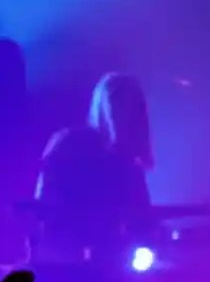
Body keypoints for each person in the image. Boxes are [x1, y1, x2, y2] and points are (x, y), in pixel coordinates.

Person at [33, 72, 154, 264]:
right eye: (119, 103)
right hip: (68, 259)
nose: (124, 113)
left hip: (109, 260)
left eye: (131, 106)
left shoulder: (129, 163)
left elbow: (143, 218)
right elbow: (46, 208)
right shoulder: (70, 144)